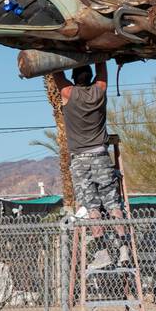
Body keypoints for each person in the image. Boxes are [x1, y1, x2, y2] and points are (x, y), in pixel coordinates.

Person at [52, 62, 125, 268]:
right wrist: (96, 56)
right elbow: (102, 68)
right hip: (101, 156)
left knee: (92, 207)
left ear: (74, 77)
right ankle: (123, 247)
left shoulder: (67, 93)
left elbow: (55, 71)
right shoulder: (100, 90)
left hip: (80, 161)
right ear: (91, 75)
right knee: (113, 204)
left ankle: (102, 252)